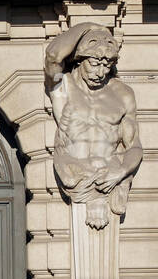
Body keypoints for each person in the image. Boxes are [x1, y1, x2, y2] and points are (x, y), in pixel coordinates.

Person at [44, 23, 142, 229]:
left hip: (110, 177)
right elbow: (53, 55)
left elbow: (134, 146)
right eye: (95, 64)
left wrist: (121, 172)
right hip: (75, 175)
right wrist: (89, 27)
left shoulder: (123, 94)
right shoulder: (63, 86)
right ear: (80, 59)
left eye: (106, 66)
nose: (100, 72)